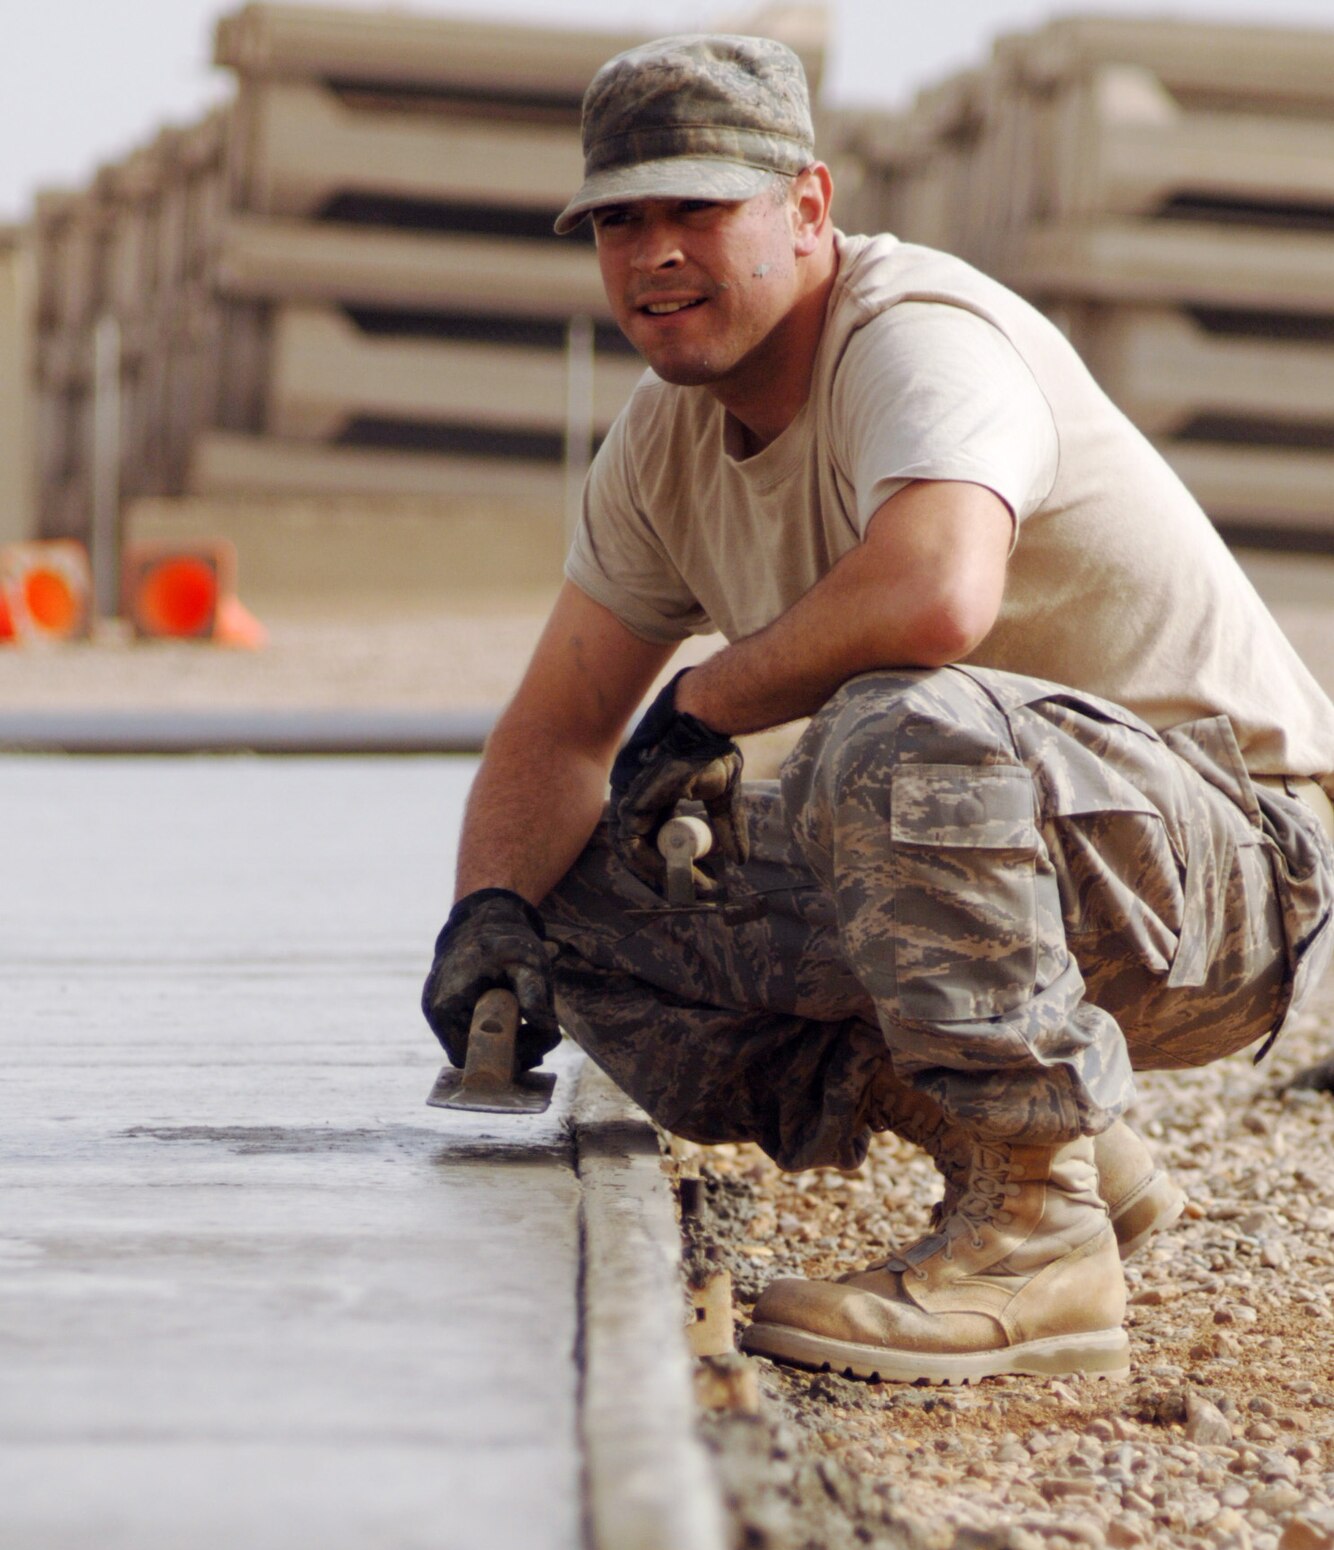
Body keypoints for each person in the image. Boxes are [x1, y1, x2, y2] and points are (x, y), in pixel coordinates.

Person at [422, 33, 1334, 1385]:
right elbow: (555, 733)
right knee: (587, 914)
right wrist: (487, 920)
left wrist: (707, 702)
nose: (655, 253)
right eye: (621, 222)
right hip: (1017, 845)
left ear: (806, 209)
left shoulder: (917, 338)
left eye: (697, 210)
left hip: (1223, 865)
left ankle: (1036, 1246)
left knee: (890, 726)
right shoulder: (665, 442)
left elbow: (934, 595)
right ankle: (1042, 1138)